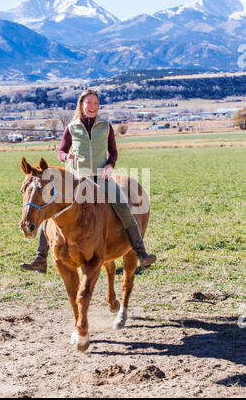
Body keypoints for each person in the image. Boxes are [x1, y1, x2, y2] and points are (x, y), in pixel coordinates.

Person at [20, 89, 156, 273]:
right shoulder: (72, 127)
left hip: (100, 177)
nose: (92, 107)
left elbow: (113, 152)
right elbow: (61, 151)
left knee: (123, 207)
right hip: (75, 178)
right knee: (50, 209)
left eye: (95, 103)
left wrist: (110, 165)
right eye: (88, 103)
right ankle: (40, 258)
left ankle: (141, 253)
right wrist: (66, 156)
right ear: (81, 105)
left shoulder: (105, 127)